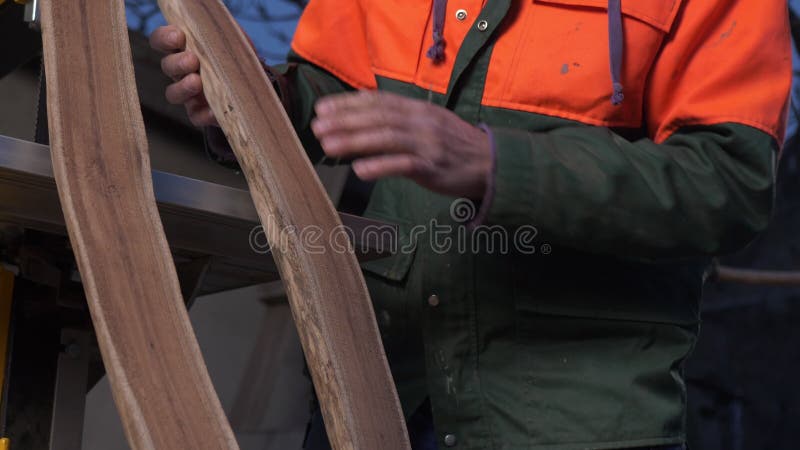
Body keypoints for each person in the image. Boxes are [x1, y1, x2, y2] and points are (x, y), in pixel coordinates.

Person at [150, 0, 791, 448]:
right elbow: (333, 95)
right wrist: (254, 101)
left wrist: (495, 163)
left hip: (570, 417)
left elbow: (727, 183)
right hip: (375, 392)